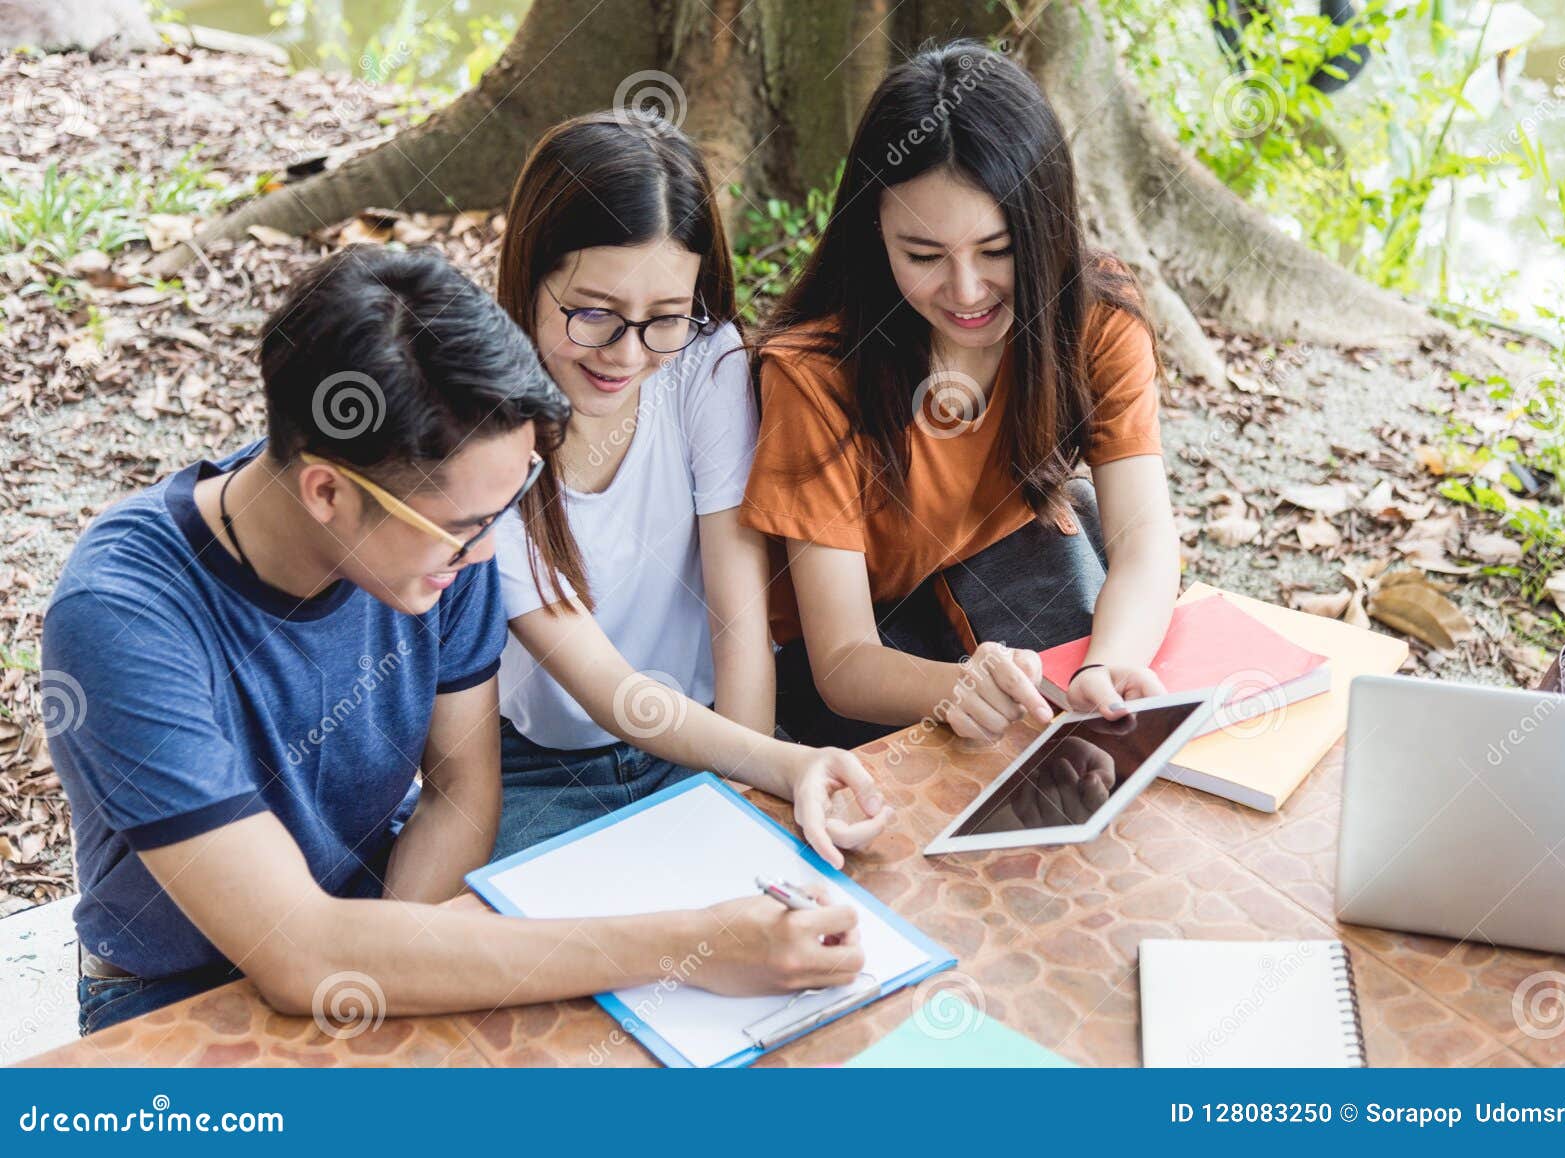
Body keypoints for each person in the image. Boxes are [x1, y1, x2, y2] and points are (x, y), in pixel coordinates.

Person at [43, 246, 864, 1035]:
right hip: (178, 994)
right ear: (326, 493)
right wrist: (693, 946)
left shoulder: (446, 530)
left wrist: (398, 962)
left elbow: (459, 796)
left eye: (502, 510)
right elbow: (299, 953)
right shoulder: (124, 618)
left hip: (375, 916)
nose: (486, 554)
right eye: (465, 528)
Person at [739, 42, 1180, 748]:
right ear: (873, 232)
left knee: (1094, 726)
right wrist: (956, 690)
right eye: (923, 256)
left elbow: (1145, 543)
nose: (967, 291)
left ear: (1046, 226)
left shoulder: (1095, 316)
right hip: (873, 645)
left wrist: (1109, 664)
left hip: (1010, 560)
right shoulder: (813, 374)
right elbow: (844, 661)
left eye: (998, 250)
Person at [489, 110, 890, 863]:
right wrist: (783, 765)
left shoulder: (706, 364)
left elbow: (740, 626)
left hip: (715, 734)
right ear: (529, 279)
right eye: (594, 314)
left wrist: (742, 795)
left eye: (665, 317)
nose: (626, 354)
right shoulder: (482, 432)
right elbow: (609, 689)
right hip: (544, 772)